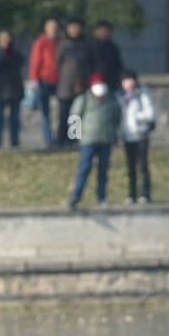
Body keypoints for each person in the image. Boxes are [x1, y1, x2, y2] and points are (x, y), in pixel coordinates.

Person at [67, 72, 119, 208]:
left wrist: (115, 135)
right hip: (88, 140)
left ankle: (101, 197)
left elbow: (116, 117)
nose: (99, 86)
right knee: (84, 168)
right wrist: (74, 138)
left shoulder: (111, 99)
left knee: (103, 170)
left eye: (101, 83)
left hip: (106, 140)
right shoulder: (84, 98)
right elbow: (74, 117)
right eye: (97, 83)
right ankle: (75, 196)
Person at [56, 17, 95, 149]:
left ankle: (73, 140)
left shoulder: (86, 44)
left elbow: (90, 63)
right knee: (63, 113)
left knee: (76, 114)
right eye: (72, 27)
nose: (74, 30)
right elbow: (58, 61)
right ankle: (60, 140)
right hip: (65, 85)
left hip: (81, 84)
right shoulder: (64, 44)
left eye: (77, 27)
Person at [119, 70, 155, 203]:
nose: (127, 83)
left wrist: (136, 117)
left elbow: (151, 114)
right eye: (124, 80)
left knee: (143, 166)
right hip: (128, 137)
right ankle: (132, 194)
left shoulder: (142, 95)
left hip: (140, 135)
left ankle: (145, 194)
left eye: (129, 80)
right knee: (130, 167)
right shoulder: (121, 97)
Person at [28, 18, 61, 147]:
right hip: (44, 80)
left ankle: (69, 137)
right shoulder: (40, 42)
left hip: (61, 80)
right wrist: (34, 79)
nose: (54, 30)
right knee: (45, 112)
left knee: (66, 111)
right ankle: (48, 140)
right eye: (51, 27)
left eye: (56, 27)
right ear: (46, 29)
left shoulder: (61, 42)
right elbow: (35, 61)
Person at [0, 30, 25, 147]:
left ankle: (15, 144)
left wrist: (9, 53)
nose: (5, 41)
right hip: (0, 92)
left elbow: (20, 61)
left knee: (14, 120)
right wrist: (5, 53)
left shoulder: (16, 54)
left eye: (7, 38)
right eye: (3, 39)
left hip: (15, 91)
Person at [92, 21, 123, 85]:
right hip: (94, 82)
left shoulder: (113, 48)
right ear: (96, 32)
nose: (103, 33)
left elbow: (118, 66)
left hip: (111, 82)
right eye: (101, 31)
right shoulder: (90, 46)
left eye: (106, 31)